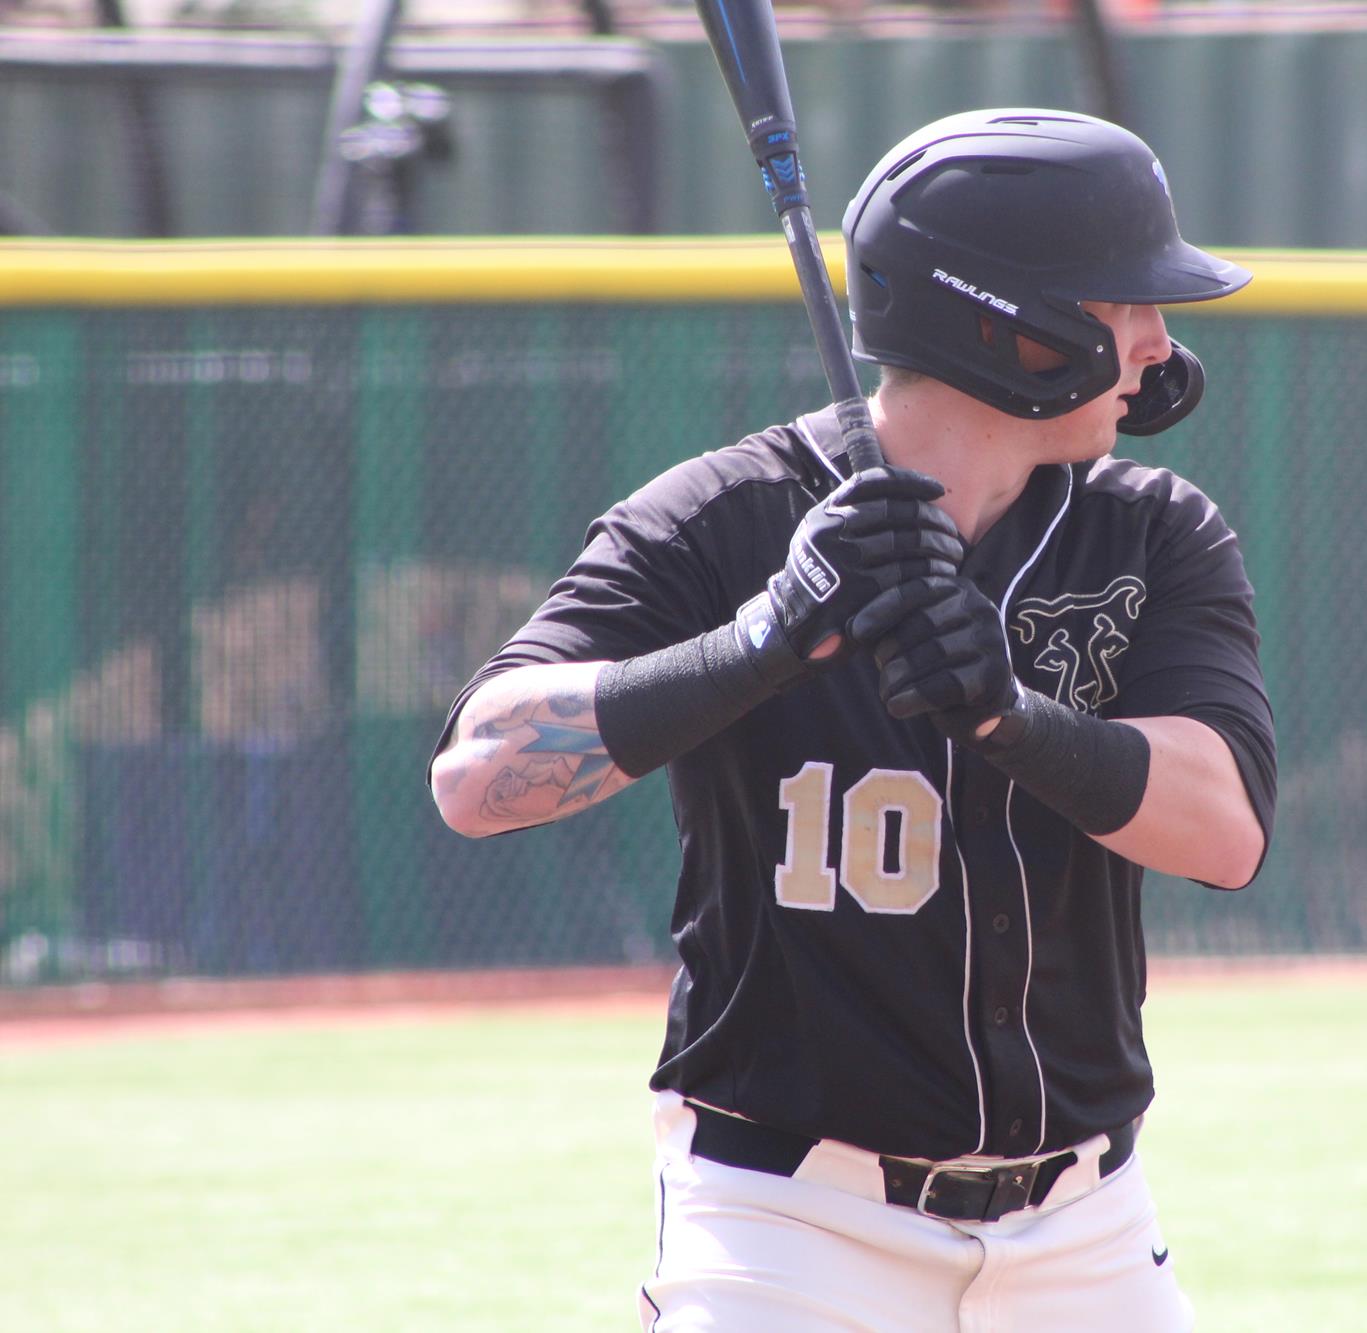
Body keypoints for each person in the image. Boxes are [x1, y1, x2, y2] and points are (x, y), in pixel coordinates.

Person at [429, 108, 1277, 1331]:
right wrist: (762, 640)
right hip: (786, 1220)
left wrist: (1008, 717)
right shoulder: (723, 518)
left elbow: (1225, 829)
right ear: (1009, 327)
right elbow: (477, 773)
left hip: (1084, 1227)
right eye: (1120, 303)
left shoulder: (1153, 531)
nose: (1155, 342)